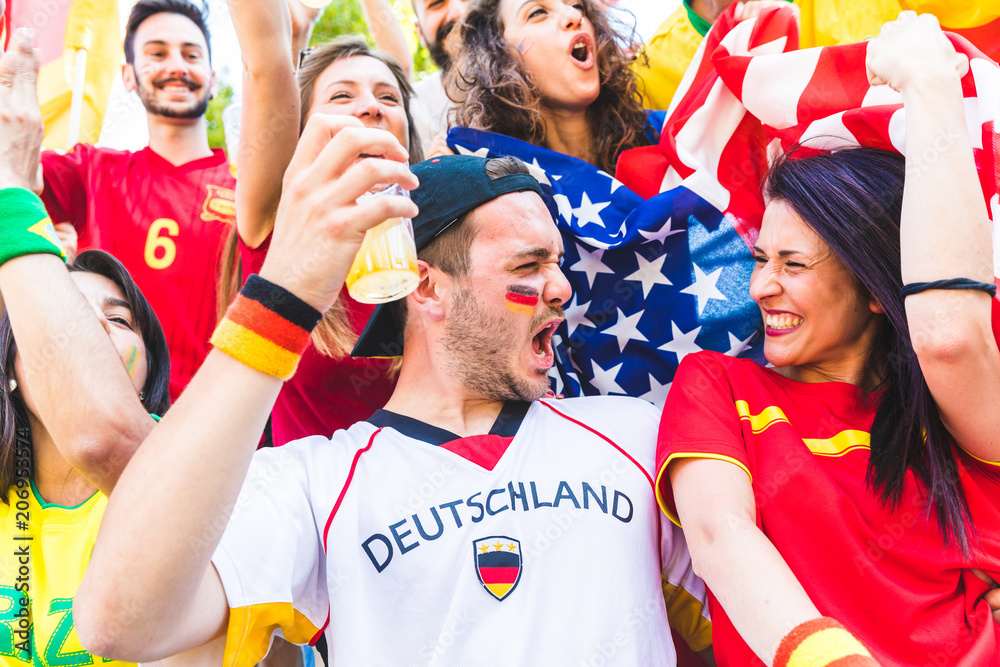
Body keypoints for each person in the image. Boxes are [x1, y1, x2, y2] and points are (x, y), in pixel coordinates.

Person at [72, 112, 711, 663]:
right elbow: (118, 619)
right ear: (427, 286)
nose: (562, 288)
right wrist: (282, 295)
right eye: (528, 264)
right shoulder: (317, 484)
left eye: (557, 262)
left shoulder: (639, 435)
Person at [657, 13, 1000, 665]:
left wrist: (928, 86)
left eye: (792, 264)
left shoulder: (955, 405)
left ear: (876, 285)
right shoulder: (721, 386)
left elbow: (948, 335)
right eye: (761, 259)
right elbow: (719, 535)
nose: (760, 287)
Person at [220, 0, 423, 446]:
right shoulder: (280, 223)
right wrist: (289, 33)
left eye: (388, 97)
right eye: (342, 95)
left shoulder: (443, 229)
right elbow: (266, 67)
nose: (370, 107)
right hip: (319, 512)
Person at [39, 0, 236, 402]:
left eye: (191, 54)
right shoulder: (92, 170)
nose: (176, 65)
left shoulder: (250, 187)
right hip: (106, 409)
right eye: (157, 53)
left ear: (212, 78)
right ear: (128, 76)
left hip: (222, 426)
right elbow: (13, 175)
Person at [448, 0, 649, 173]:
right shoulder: (496, 187)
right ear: (497, 54)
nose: (574, 15)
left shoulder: (664, 136)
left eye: (576, 5)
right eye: (538, 12)